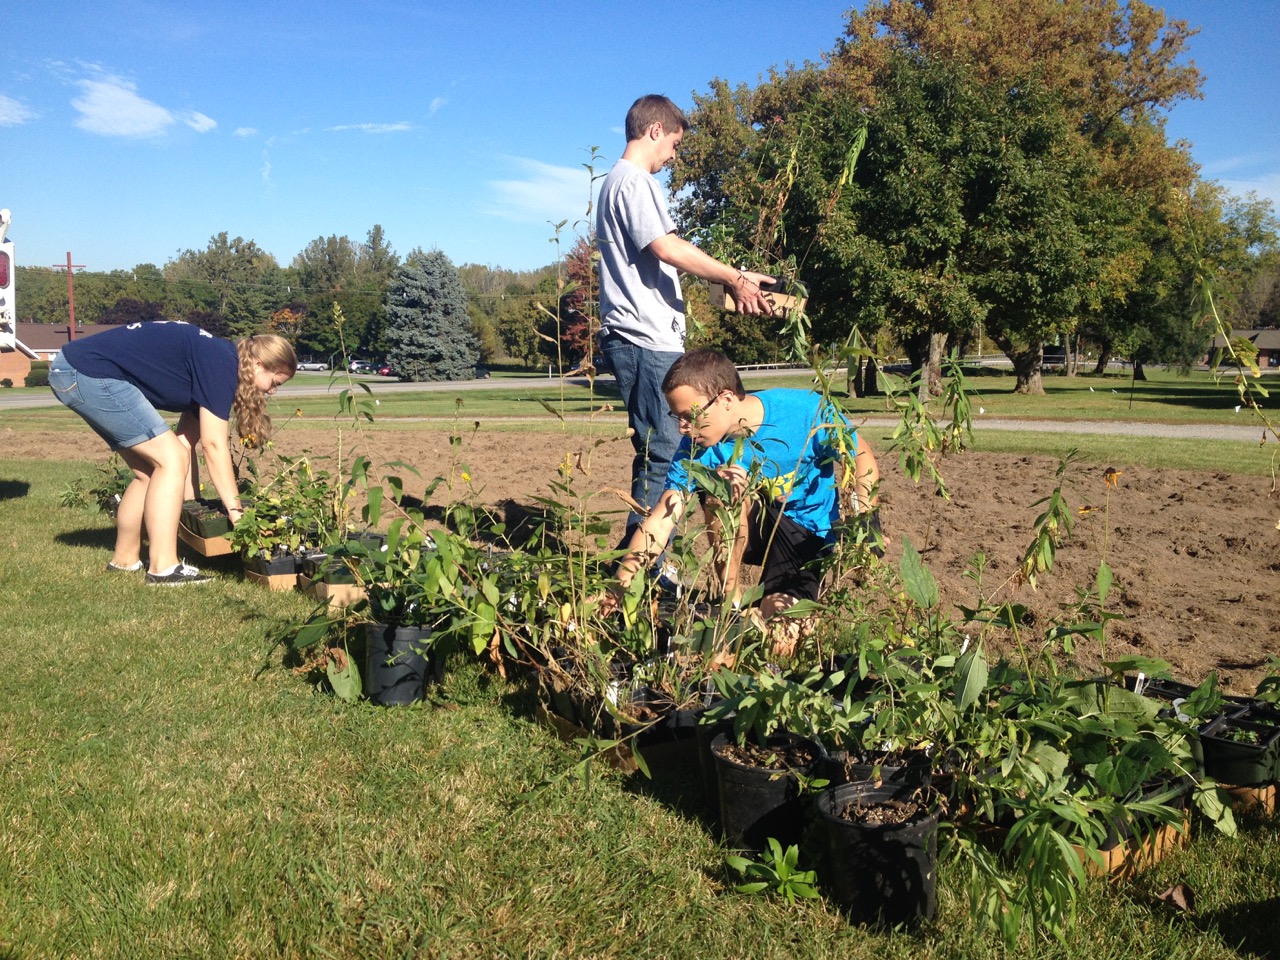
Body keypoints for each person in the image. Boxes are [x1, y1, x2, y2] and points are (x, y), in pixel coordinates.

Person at [609, 348, 883, 651]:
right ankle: (732, 603)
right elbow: (661, 520)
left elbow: (861, 457)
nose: (682, 428)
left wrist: (865, 524)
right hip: (748, 526)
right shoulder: (696, 447)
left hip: (805, 534)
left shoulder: (805, 412)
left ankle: (774, 614)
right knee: (720, 488)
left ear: (725, 399)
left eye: (690, 416)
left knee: (781, 644)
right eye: (678, 417)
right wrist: (617, 588)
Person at [596, 94, 775, 543]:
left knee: (661, 450)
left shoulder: (617, 184)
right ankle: (644, 570)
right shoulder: (634, 182)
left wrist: (727, 281)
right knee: (663, 452)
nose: (673, 157)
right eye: (675, 144)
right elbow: (667, 247)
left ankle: (643, 563)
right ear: (655, 130)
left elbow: (661, 257)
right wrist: (734, 278)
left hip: (644, 337)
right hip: (643, 338)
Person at [49, 322, 296, 586]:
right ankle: (163, 567)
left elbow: (187, 442)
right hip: (88, 372)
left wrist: (193, 510)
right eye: (274, 382)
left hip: (74, 369)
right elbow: (214, 445)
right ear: (259, 365)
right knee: (170, 459)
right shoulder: (221, 363)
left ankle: (124, 560)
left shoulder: (216, 361)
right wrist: (236, 512)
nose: (272, 391)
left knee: (150, 470)